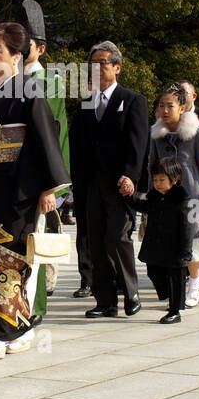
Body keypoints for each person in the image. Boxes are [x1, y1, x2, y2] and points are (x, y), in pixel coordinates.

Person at [0, 22, 70, 359]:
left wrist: (47, 188)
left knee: (8, 261)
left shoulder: (29, 92)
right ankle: (20, 326)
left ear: (17, 56)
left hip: (19, 188)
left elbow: (45, 138)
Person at [71, 40, 149, 318]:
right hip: (90, 186)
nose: (95, 68)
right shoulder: (84, 105)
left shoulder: (133, 100)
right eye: (91, 64)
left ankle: (131, 291)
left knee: (117, 237)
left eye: (102, 63)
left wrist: (132, 175)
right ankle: (105, 301)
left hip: (119, 185)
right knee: (95, 243)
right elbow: (77, 148)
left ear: (116, 67)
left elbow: (138, 143)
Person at [145, 84, 199, 307]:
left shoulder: (197, 133)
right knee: (170, 241)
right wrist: (151, 196)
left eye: (171, 105)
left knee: (192, 241)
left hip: (192, 195)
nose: (165, 110)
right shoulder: (157, 135)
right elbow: (152, 167)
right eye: (161, 106)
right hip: (165, 196)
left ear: (183, 107)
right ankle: (175, 286)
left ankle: (195, 284)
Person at [20, 0, 70, 314]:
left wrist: (51, 186)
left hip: (39, 180)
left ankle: (33, 308)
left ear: (41, 49)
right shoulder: (9, 81)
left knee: (34, 246)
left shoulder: (49, 81)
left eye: (26, 43)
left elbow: (53, 135)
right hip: (15, 178)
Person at [129, 157, 196, 324]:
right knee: (153, 271)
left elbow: (188, 229)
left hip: (175, 247)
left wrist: (186, 252)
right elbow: (142, 206)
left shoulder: (183, 200)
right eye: (155, 180)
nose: (158, 183)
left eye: (162, 180)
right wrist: (129, 196)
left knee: (175, 278)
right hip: (156, 244)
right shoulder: (154, 197)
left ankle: (175, 311)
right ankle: (167, 295)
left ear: (174, 179)